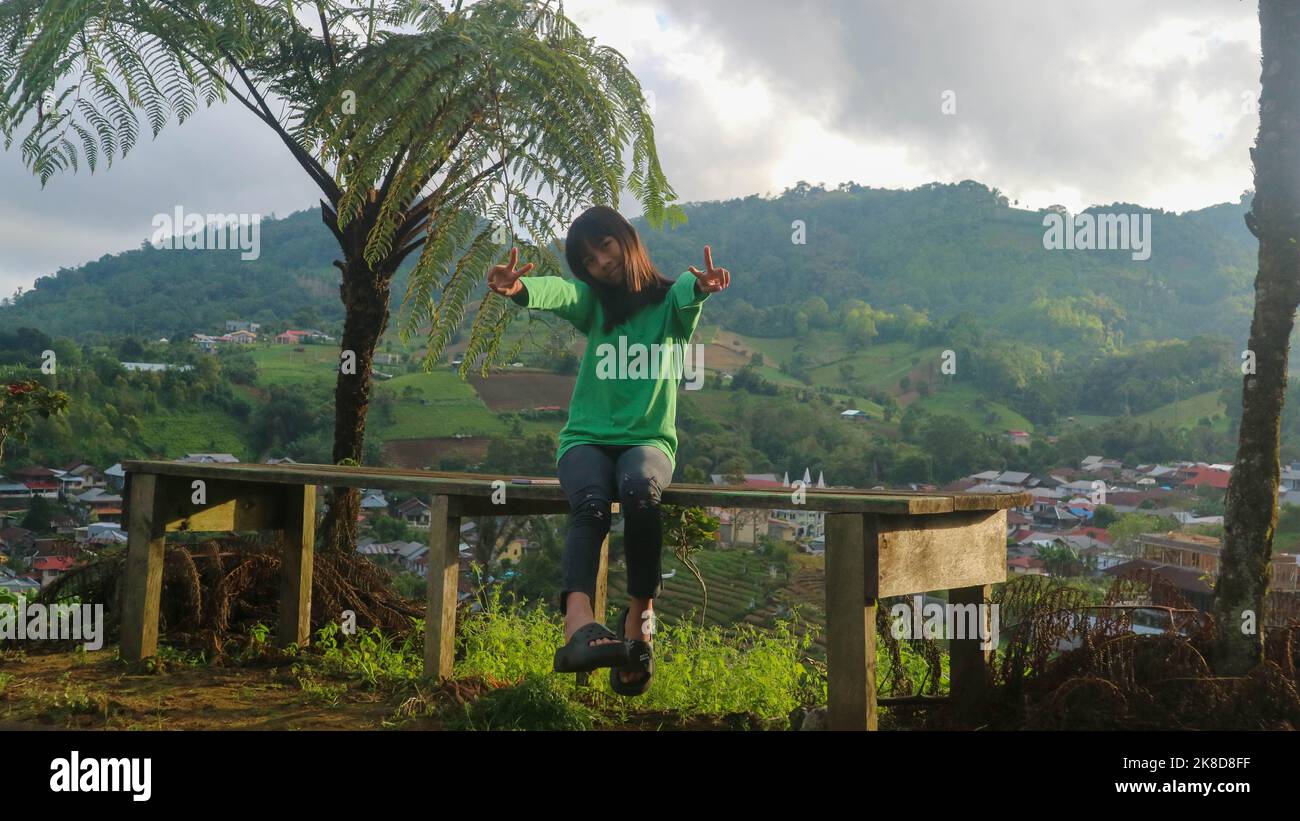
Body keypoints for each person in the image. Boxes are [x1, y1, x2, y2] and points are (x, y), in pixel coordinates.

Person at [485, 204, 730, 696]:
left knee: (640, 491)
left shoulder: (669, 305)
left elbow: (684, 293)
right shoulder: (593, 304)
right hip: (586, 439)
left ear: (625, 239)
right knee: (591, 505)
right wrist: (519, 289)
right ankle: (578, 627)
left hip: (648, 441)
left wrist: (701, 286)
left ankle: (640, 618)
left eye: (604, 246)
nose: (600, 262)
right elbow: (560, 292)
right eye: (588, 260)